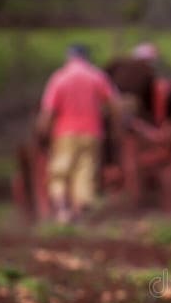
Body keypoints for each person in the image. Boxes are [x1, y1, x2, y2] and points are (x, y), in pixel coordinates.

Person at [36, 45, 119, 222]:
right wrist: (115, 126)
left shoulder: (59, 78)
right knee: (85, 171)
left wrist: (42, 132)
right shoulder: (97, 76)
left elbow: (48, 111)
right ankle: (79, 212)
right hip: (92, 132)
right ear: (86, 58)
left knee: (60, 171)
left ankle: (62, 210)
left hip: (65, 132)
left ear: (69, 57)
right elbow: (114, 104)